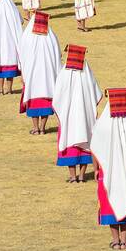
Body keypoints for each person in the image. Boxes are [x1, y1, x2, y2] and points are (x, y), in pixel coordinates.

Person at [92, 87, 126, 250]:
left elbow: (95, 147)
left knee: (110, 201)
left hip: (107, 171)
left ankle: (116, 240)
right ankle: (123, 239)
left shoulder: (102, 125)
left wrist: (96, 168)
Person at [53, 44, 101, 183]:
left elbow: (58, 95)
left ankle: (73, 176)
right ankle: (81, 175)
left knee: (69, 143)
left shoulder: (64, 73)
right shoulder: (86, 71)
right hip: (85, 117)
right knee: (85, 142)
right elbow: (96, 93)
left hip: (68, 116)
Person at [18, 10, 62, 135]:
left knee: (33, 100)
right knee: (45, 100)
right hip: (47, 75)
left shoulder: (27, 36)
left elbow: (22, 54)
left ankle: (36, 128)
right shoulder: (51, 37)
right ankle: (42, 128)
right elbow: (57, 55)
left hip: (32, 75)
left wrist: (23, 73)